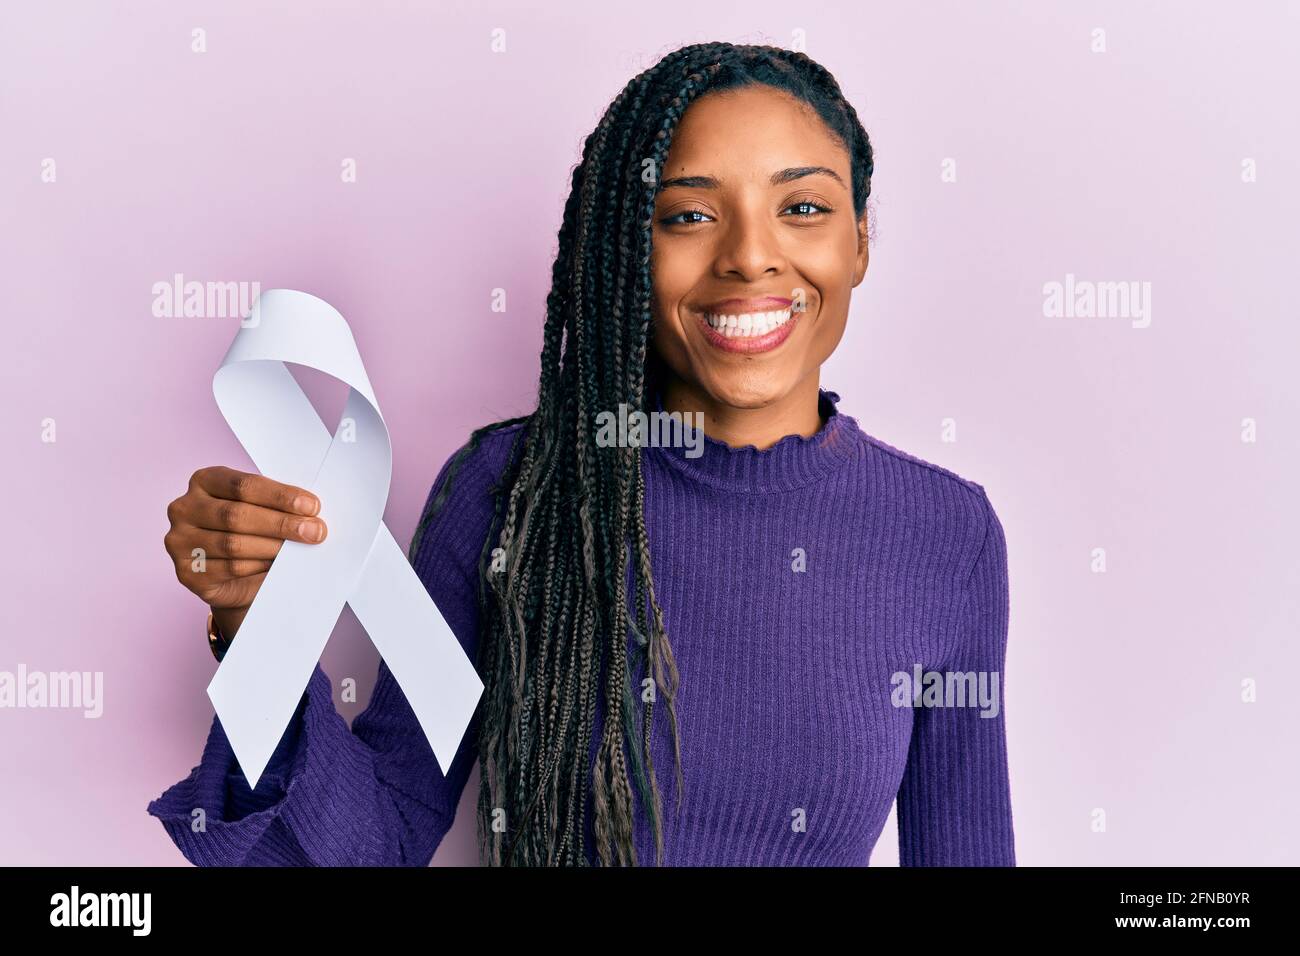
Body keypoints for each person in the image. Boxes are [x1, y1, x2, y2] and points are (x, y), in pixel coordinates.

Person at [151, 41, 1016, 867]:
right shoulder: (510, 493)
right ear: (626, 251)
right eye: (688, 215)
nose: (751, 255)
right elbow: (372, 843)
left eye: (803, 208)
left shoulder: (947, 535)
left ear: (859, 240)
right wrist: (257, 628)